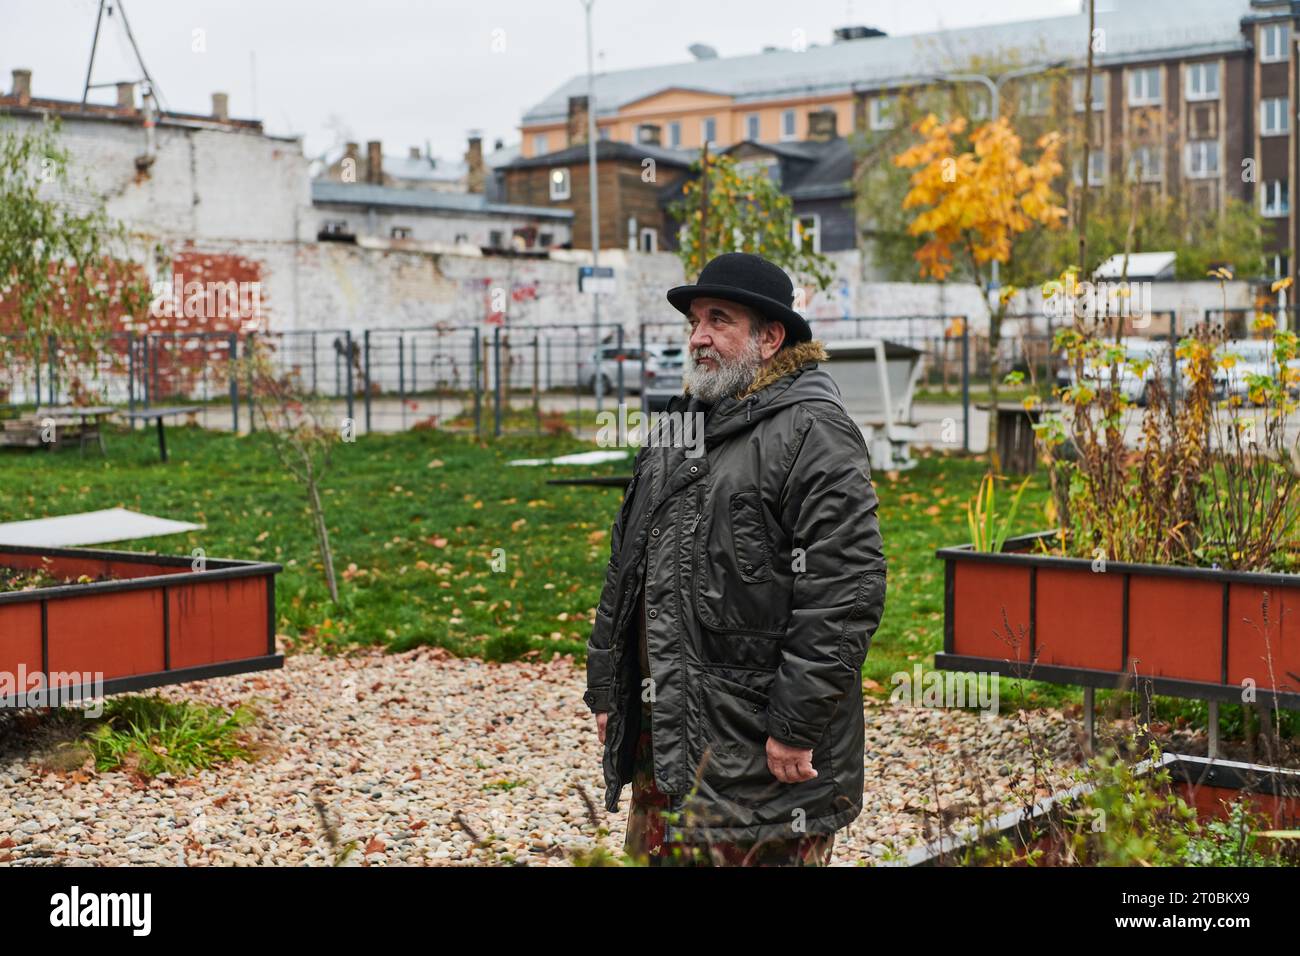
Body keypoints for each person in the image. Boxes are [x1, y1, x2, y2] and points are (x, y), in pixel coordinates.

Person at [583, 252, 887, 866]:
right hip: (666, 735)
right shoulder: (679, 429)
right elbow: (626, 568)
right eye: (694, 321)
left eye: (718, 320)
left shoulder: (812, 432)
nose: (697, 337)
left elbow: (845, 588)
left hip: (761, 752)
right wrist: (609, 692)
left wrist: (795, 724)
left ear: (770, 337)